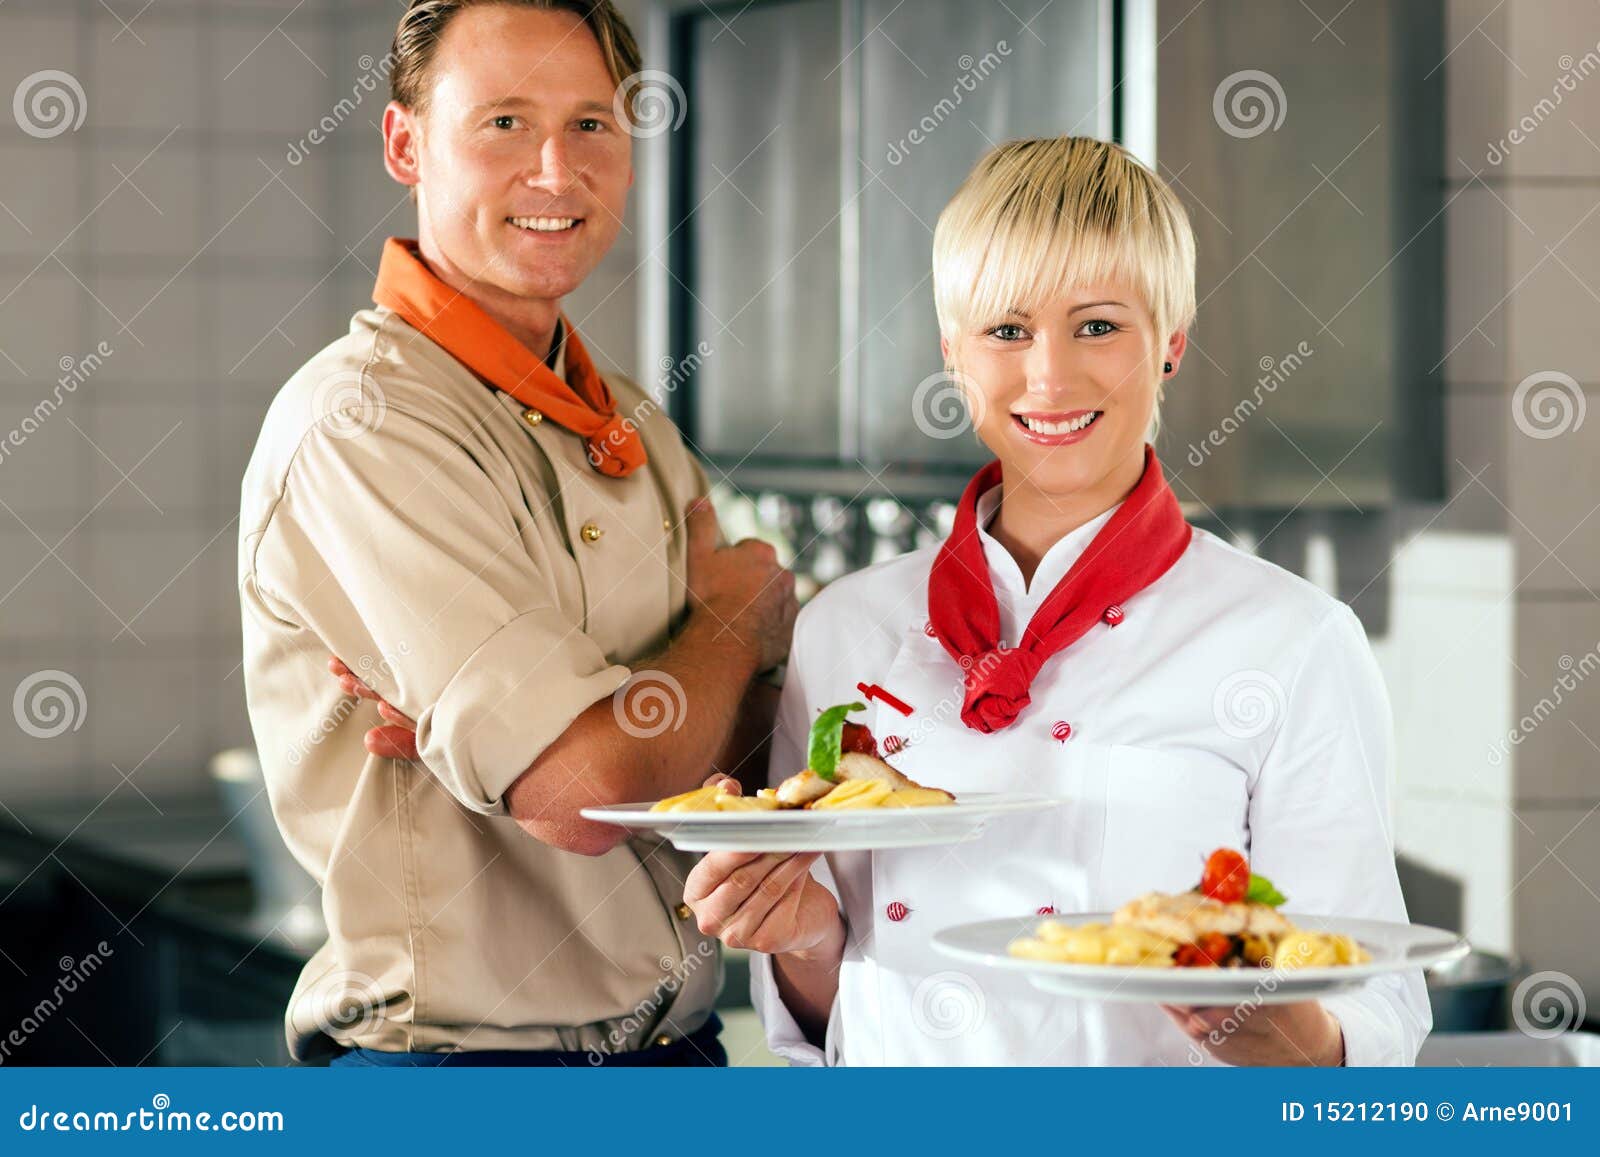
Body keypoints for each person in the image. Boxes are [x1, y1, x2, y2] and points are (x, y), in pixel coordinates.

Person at [681, 136, 1432, 1066]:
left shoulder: (1295, 640)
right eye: (1007, 330)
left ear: (1171, 341)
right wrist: (799, 933)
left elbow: (1378, 1015)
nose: (1050, 378)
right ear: (952, 351)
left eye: (1099, 325)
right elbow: (842, 1016)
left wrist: (1283, 1028)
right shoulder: (849, 628)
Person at [238, 0, 796, 1066]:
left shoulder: (630, 422)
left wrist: (639, 726)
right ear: (407, 143)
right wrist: (727, 621)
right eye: (502, 122)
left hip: (678, 1054)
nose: (555, 169)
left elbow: (763, 747)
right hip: (459, 1077)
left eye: (592, 123)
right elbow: (587, 795)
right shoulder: (363, 424)